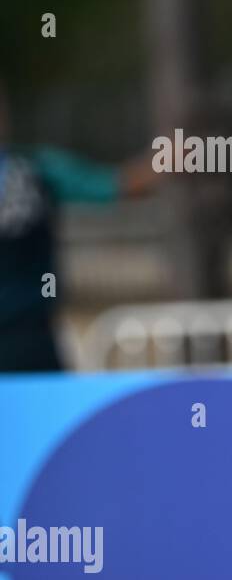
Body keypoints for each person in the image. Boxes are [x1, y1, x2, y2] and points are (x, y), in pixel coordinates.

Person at [0, 79, 160, 372]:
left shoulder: (38, 169)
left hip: (32, 341)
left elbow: (117, 185)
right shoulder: (37, 169)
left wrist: (172, 159)